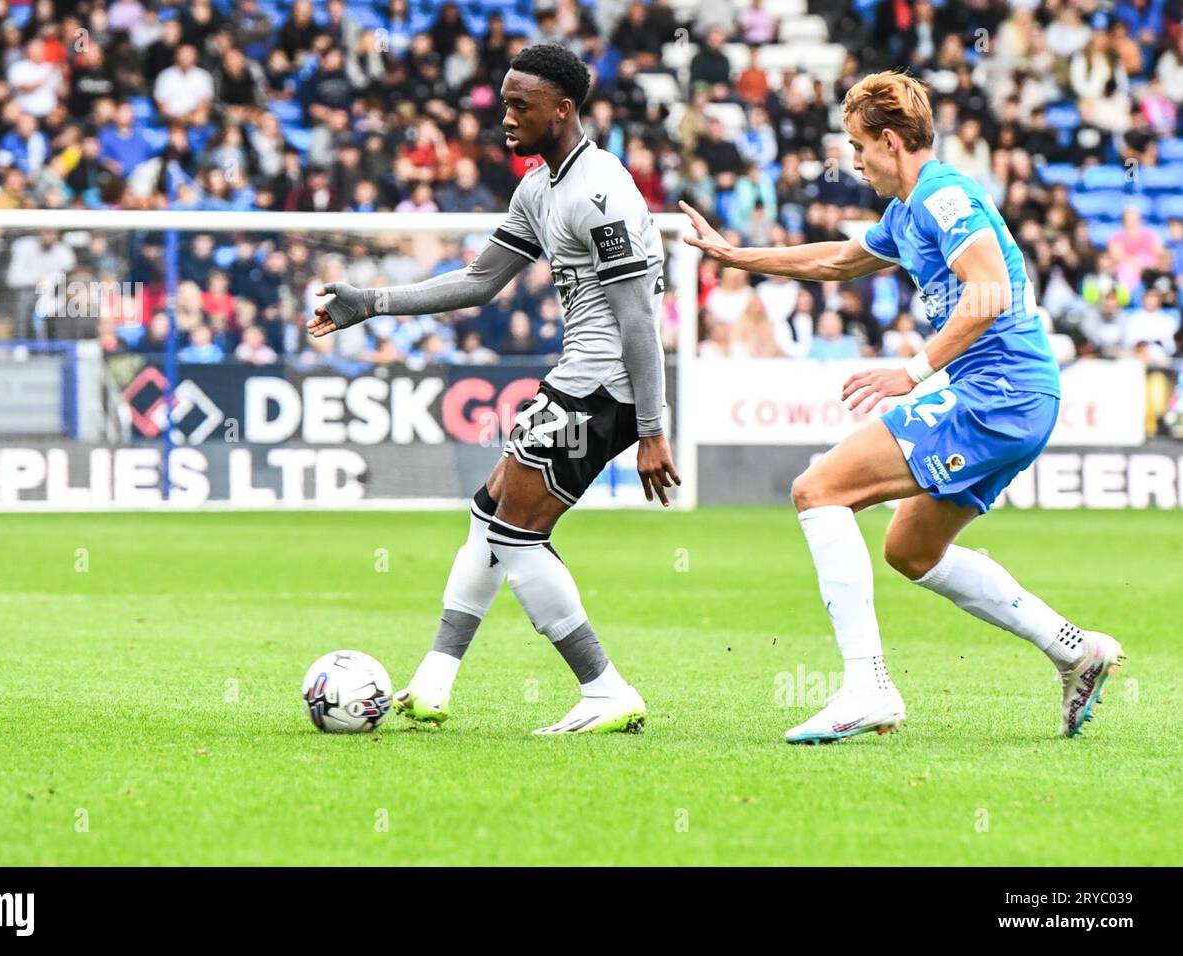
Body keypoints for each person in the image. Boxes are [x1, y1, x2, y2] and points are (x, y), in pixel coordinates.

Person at [682, 71, 1124, 744]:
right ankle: (1073, 648)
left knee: (819, 489)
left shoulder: (945, 196)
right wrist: (733, 253)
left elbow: (990, 291)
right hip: (1013, 396)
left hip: (998, 391)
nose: (854, 162)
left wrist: (912, 372)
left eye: (858, 147)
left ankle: (867, 686)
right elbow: (836, 259)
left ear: (891, 142)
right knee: (910, 549)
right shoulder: (908, 211)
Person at [309, 44, 679, 735]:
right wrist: (372, 301)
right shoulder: (539, 188)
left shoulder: (603, 192)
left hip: (605, 388)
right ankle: (434, 680)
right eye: (503, 103)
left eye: (519, 106)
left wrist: (652, 430)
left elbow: (638, 319)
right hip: (581, 383)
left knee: (515, 532)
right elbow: (480, 282)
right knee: (491, 513)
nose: (504, 118)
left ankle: (604, 688)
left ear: (562, 110)